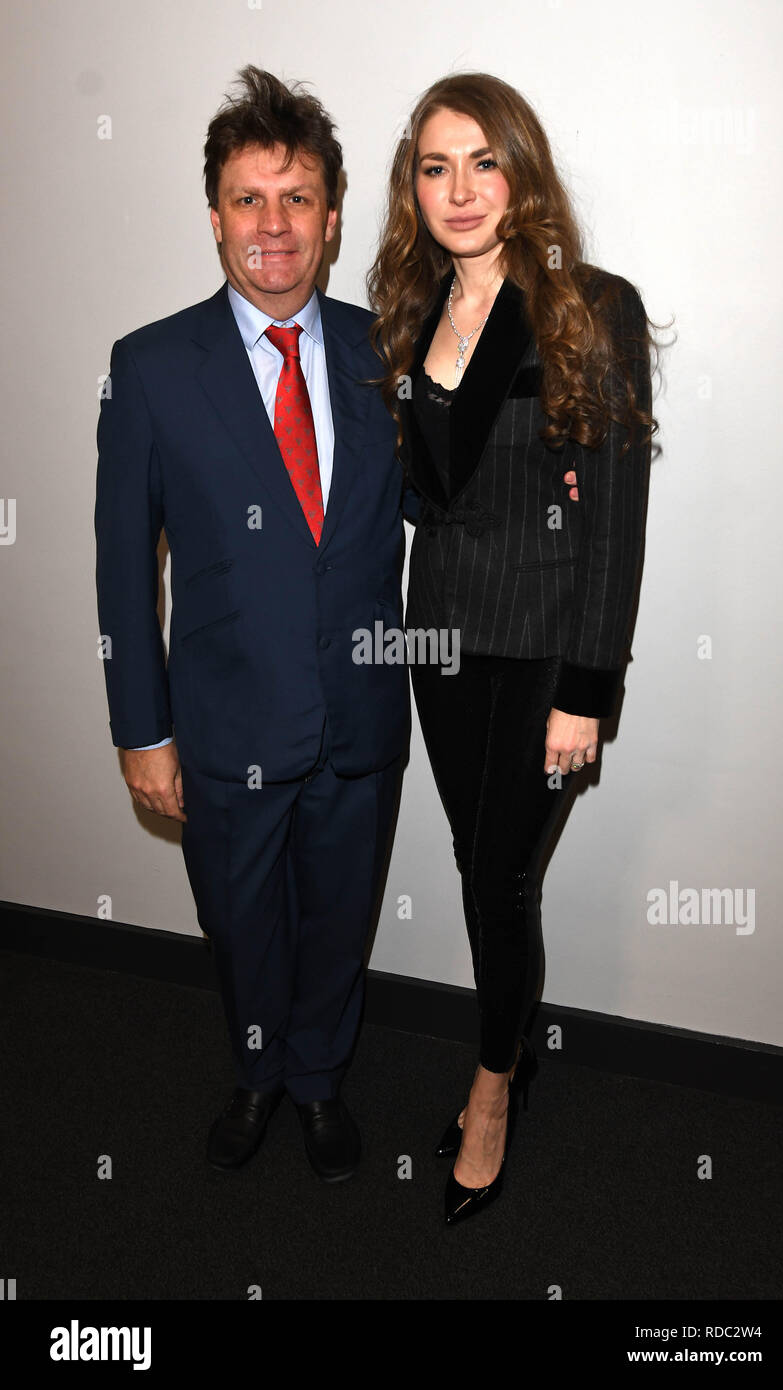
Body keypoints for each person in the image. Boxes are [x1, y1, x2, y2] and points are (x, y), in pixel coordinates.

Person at [94, 66, 416, 1183]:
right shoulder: (148, 369)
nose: (271, 226)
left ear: (331, 219)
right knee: (240, 928)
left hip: (360, 720)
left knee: (338, 921)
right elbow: (120, 565)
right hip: (221, 725)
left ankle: (319, 1080)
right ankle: (254, 1072)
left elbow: (450, 509)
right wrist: (142, 729)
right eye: (247, 198)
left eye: (296, 199)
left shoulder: (391, 357)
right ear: (216, 215)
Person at [368, 72, 657, 1224]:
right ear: (413, 189)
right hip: (436, 630)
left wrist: (587, 689)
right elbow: (414, 497)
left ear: (519, 169)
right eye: (434, 167)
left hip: (544, 646)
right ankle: (504, 1050)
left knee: (496, 872)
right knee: (475, 864)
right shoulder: (404, 315)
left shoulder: (591, 306)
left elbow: (613, 517)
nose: (459, 188)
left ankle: (493, 1083)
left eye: (481, 160)